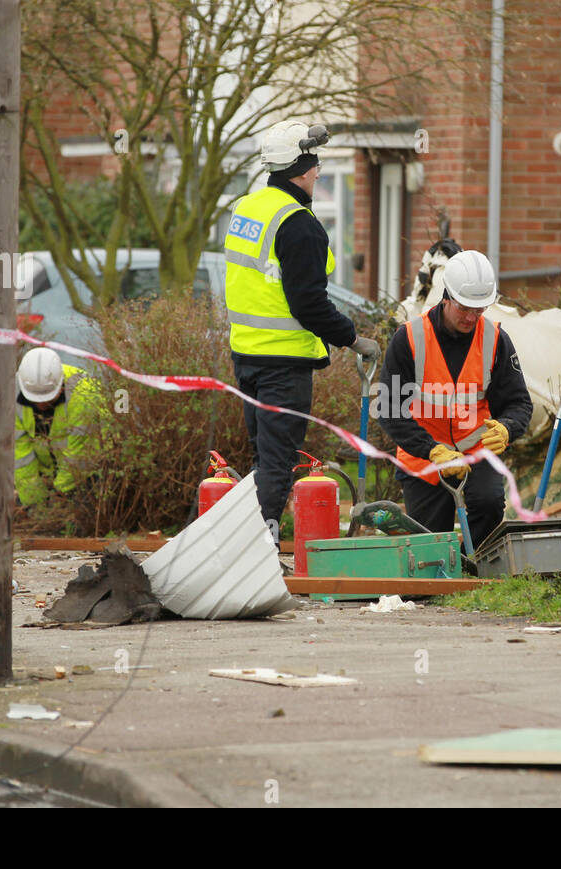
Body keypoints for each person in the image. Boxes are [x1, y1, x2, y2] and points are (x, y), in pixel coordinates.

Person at [224, 119, 378, 538]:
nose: (317, 173)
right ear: (302, 169)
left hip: (246, 358)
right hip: (283, 364)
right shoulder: (299, 225)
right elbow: (308, 304)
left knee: (263, 457)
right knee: (276, 461)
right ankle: (261, 552)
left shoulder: (248, 208)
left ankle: (250, 544)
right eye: (315, 166)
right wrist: (352, 338)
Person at [375, 250, 532, 549]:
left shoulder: (496, 339)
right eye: (464, 308)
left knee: (488, 506)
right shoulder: (408, 338)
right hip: (424, 456)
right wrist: (432, 450)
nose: (472, 317)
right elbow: (390, 409)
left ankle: (470, 569)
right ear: (446, 296)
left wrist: (507, 427)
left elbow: (519, 403)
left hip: (475, 450)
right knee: (431, 545)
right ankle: (446, 573)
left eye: (480, 309)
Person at [14, 347, 102, 507]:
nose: (41, 404)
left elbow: (78, 454)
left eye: (47, 398)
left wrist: (59, 493)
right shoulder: (11, 394)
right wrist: (34, 502)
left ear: (61, 384)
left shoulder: (84, 394)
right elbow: (21, 456)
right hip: (47, 473)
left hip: (89, 472)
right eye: (35, 399)